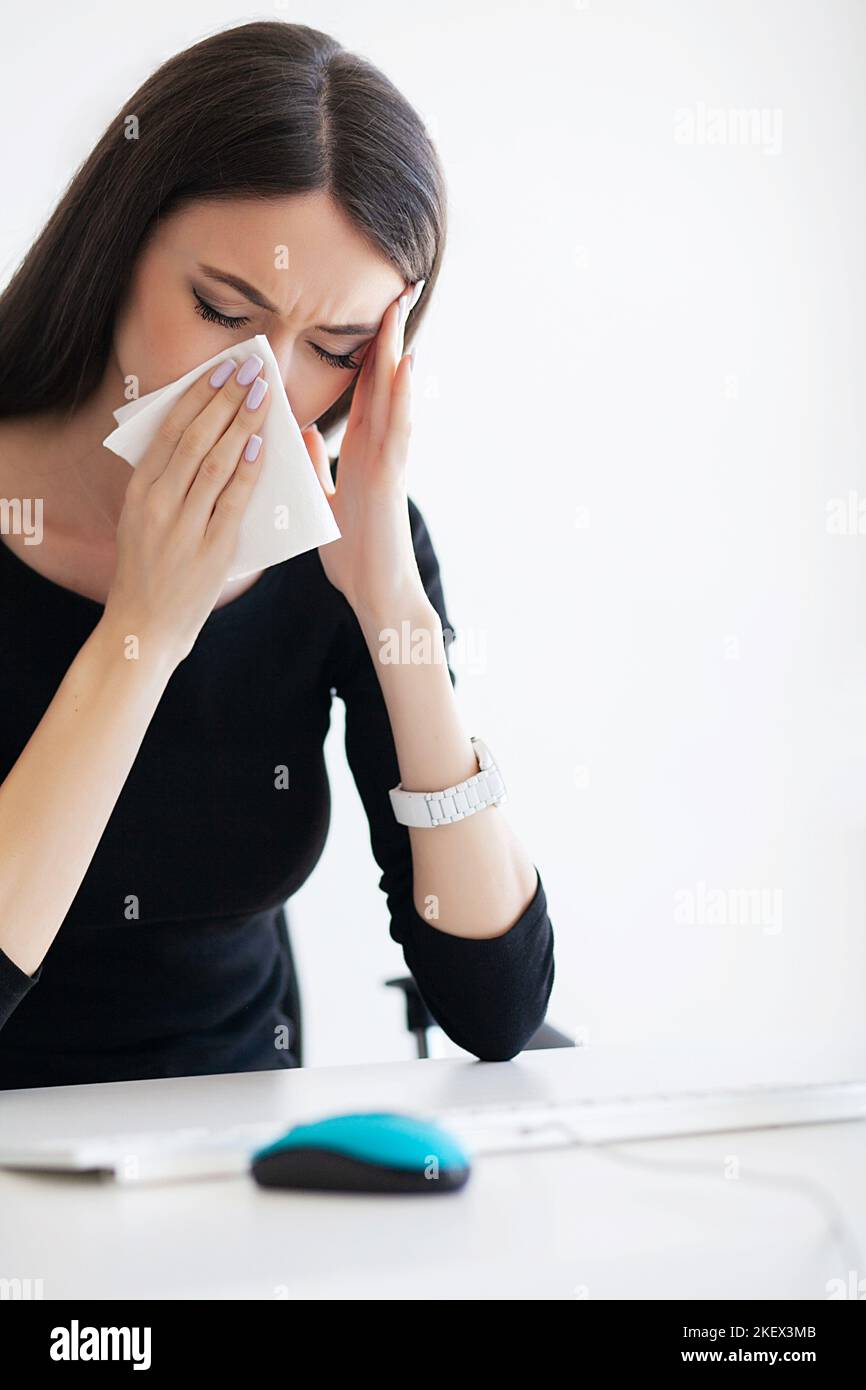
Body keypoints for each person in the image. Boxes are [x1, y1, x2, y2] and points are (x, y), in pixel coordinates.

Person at [0, 20, 555, 1089]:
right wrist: (143, 634)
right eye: (219, 309)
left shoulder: (346, 550)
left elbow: (495, 1010)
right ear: (117, 248)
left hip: (236, 1173)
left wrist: (389, 599)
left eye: (334, 350)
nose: (265, 385)